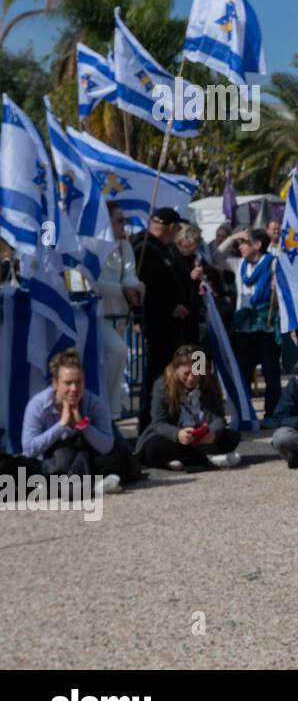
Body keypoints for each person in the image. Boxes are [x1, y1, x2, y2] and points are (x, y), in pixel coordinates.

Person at [22, 349, 139, 491]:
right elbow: (29, 449)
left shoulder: (94, 403)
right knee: (58, 460)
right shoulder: (38, 405)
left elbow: (107, 446)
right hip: (53, 460)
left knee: (114, 460)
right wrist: (60, 425)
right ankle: (85, 486)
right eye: (68, 383)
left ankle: (76, 485)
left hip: (88, 453)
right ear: (55, 383)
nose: (74, 388)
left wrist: (83, 425)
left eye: (78, 382)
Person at [136, 345, 242, 469]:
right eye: (186, 373)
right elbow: (158, 423)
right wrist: (177, 434)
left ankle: (184, 459)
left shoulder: (209, 382)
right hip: (175, 438)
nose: (191, 378)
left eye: (196, 373)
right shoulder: (161, 386)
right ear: (176, 370)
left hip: (201, 437)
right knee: (155, 448)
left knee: (232, 437)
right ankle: (205, 460)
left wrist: (213, 432)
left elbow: (219, 418)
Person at [133, 207, 189, 430]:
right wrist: (170, 307)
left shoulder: (166, 250)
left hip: (179, 325)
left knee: (188, 366)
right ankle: (152, 421)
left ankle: (174, 415)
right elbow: (149, 288)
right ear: (172, 227)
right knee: (159, 374)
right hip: (159, 324)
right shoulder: (145, 248)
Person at [88, 201, 144, 420]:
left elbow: (129, 273)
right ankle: (105, 412)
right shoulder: (89, 244)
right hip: (96, 315)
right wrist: (123, 289)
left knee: (116, 365)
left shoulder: (124, 246)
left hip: (119, 317)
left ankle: (112, 415)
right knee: (118, 351)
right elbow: (90, 282)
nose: (124, 225)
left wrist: (136, 286)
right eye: (120, 220)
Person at [232, 227, 281, 417]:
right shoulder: (240, 265)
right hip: (244, 328)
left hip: (266, 327)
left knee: (271, 374)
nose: (240, 246)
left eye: (244, 242)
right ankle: (245, 414)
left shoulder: (273, 264)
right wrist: (233, 236)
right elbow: (217, 256)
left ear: (258, 245)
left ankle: (272, 414)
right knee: (244, 373)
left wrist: (279, 288)